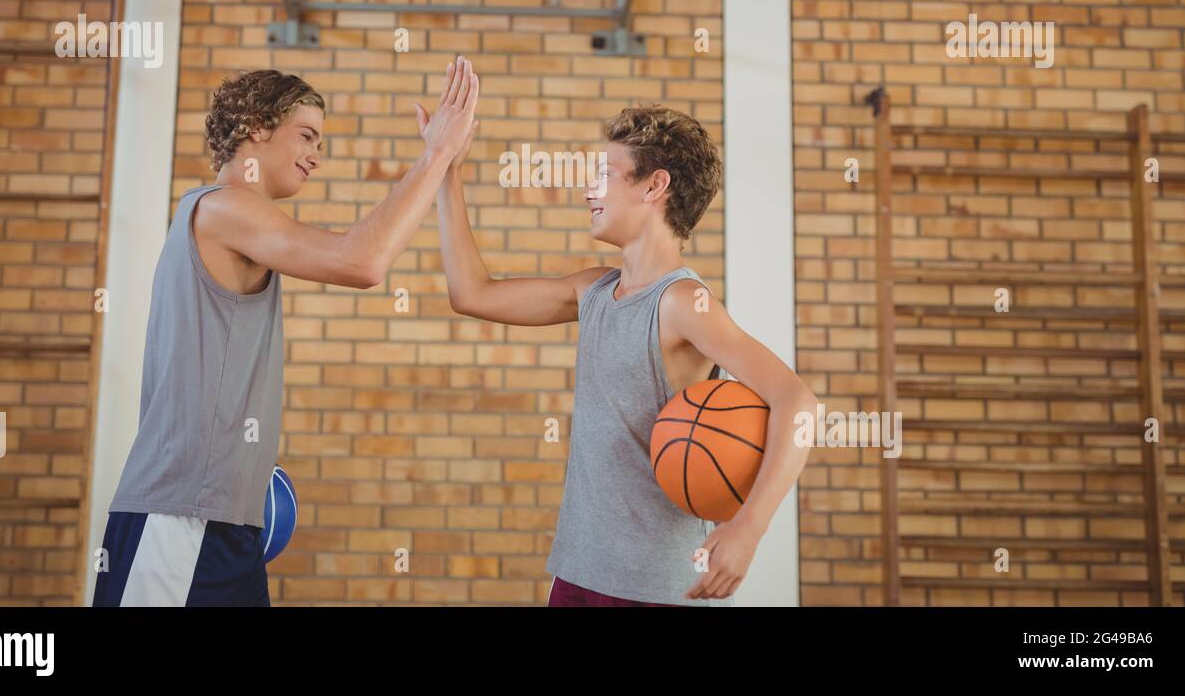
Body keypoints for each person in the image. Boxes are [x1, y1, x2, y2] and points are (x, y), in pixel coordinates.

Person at [93, 59, 479, 605]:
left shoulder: (233, 218)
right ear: (256, 125)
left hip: (224, 518)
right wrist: (437, 153)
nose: (316, 155)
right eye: (305, 135)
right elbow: (361, 262)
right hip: (179, 518)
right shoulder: (223, 209)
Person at [433, 103, 817, 606]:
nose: (589, 189)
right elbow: (471, 294)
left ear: (654, 186)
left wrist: (749, 528)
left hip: (653, 585)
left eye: (605, 175)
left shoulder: (682, 304)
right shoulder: (593, 290)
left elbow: (799, 403)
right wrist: (446, 167)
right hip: (579, 573)